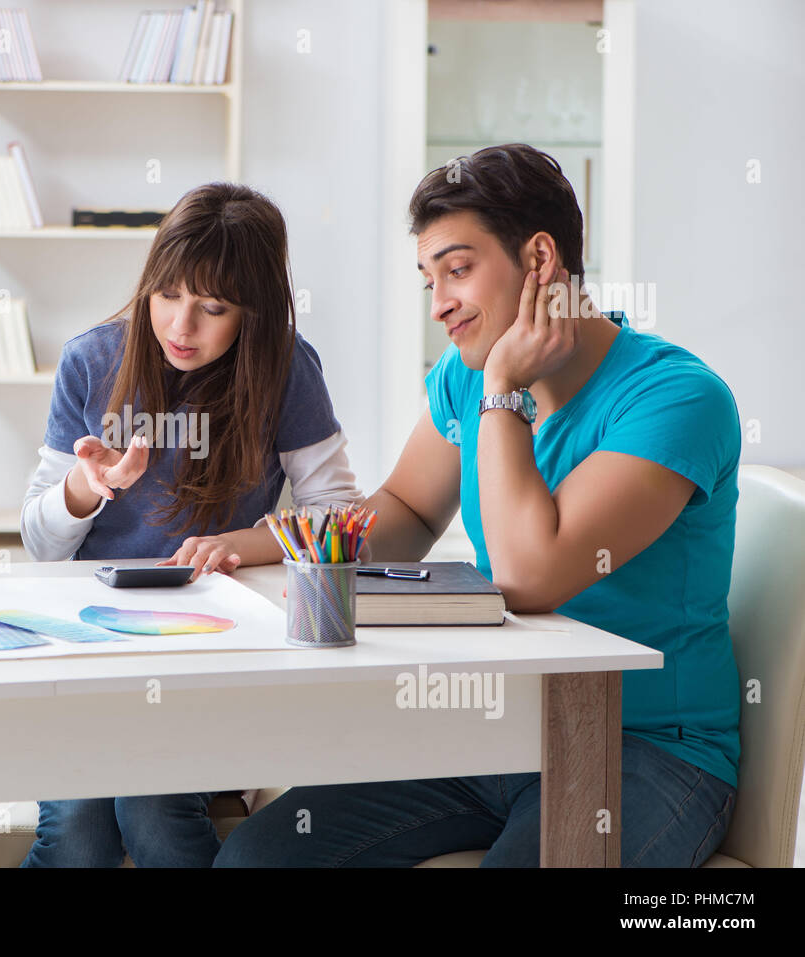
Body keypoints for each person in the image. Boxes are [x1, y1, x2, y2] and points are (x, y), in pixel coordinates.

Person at [217, 144, 741, 867]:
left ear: (540, 260)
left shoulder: (675, 398)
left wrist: (502, 389)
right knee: (259, 859)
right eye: (430, 279)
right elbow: (404, 508)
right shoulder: (463, 378)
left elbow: (530, 576)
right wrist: (270, 541)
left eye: (458, 270)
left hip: (645, 746)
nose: (440, 305)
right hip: (497, 727)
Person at [19, 182, 362, 866]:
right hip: (92, 650)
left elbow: (340, 520)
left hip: (217, 655)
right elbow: (39, 543)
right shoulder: (93, 361)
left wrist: (241, 543)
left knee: (152, 806)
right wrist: (88, 486)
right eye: (168, 295)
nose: (181, 326)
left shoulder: (286, 367)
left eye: (213, 307)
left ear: (252, 314)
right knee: (80, 829)